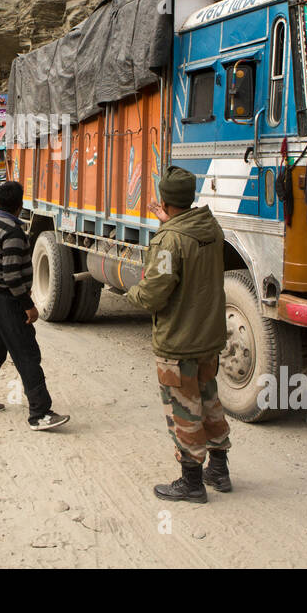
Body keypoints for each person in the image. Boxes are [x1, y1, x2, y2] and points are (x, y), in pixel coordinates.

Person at [124, 165, 231, 504]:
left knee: (184, 408)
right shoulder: (209, 227)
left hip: (179, 340)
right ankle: (219, 470)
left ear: (165, 201)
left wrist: (132, 293)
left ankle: (192, 482)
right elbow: (184, 245)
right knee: (209, 399)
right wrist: (167, 219)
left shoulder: (169, 241)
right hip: (208, 337)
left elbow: (156, 290)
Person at [0, 180, 69, 431]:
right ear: (20, 205)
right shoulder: (12, 231)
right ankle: (40, 413)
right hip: (9, 299)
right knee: (27, 353)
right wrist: (28, 305)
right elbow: (12, 275)